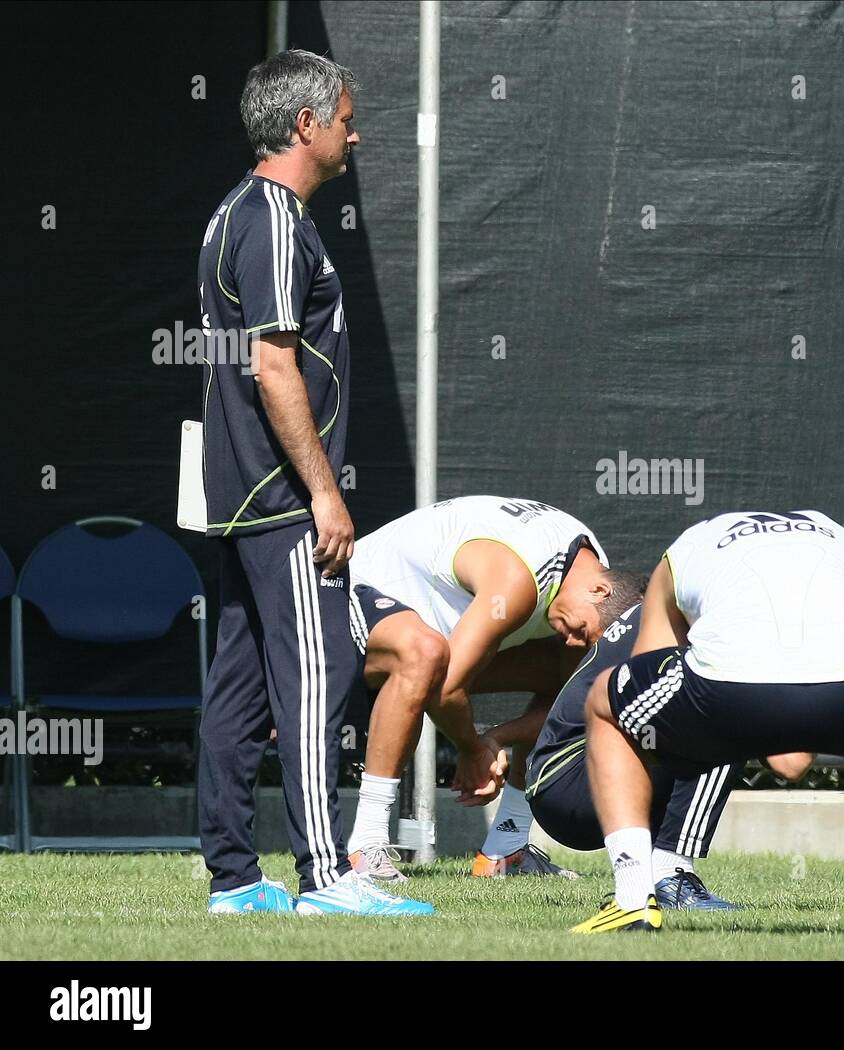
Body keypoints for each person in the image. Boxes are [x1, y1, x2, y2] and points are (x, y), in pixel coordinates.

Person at [198, 50, 429, 915]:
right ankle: (327, 877)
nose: (354, 132)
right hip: (281, 497)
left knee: (240, 686)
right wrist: (325, 494)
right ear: (305, 125)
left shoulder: (235, 213)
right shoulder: (272, 219)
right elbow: (274, 364)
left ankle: (232, 878)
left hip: (242, 496)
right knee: (316, 673)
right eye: (344, 118)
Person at [572, 510, 844, 936]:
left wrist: (710, 740)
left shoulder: (683, 550)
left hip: (728, 688)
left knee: (606, 703)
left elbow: (647, 677)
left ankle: (632, 898)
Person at [344, 496, 643, 880]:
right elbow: (448, 687)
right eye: (583, 632)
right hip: (346, 600)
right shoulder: (518, 581)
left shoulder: (585, 567)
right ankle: (364, 845)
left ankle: (507, 848)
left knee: (567, 676)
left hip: (424, 637)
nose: (573, 642)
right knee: (425, 657)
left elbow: (570, 700)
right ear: (600, 591)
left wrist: (495, 739)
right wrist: (472, 750)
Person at [528, 599, 810, 909]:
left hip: (560, 782)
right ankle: (669, 875)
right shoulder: (714, 612)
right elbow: (789, 761)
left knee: (713, 705)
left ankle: (642, 886)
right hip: (573, 778)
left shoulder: (687, 595)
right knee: (722, 712)